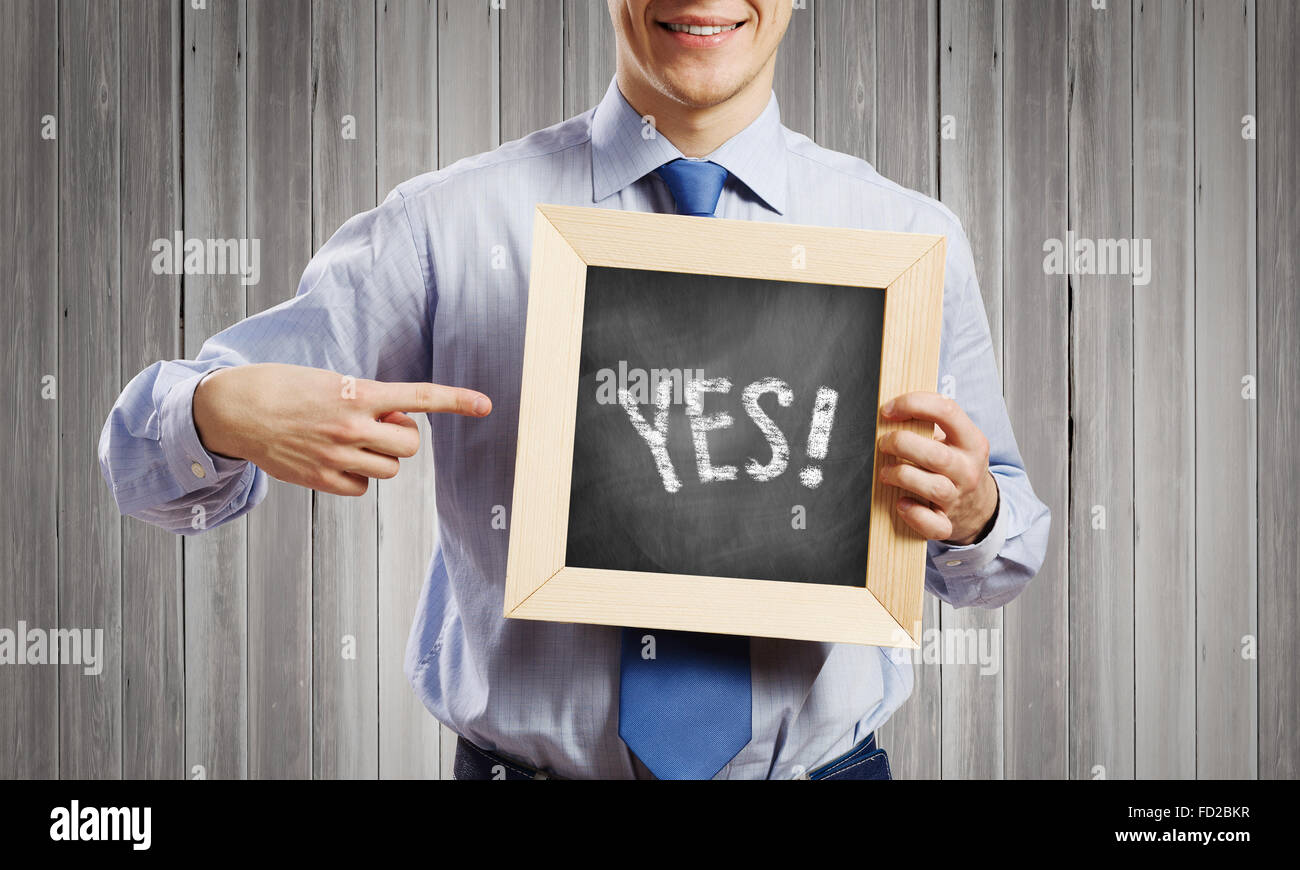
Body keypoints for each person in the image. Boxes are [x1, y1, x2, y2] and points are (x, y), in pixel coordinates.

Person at [99, 0, 1050, 780]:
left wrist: (972, 510)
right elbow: (140, 463)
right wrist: (223, 415)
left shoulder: (902, 239)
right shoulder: (447, 226)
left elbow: (1008, 553)